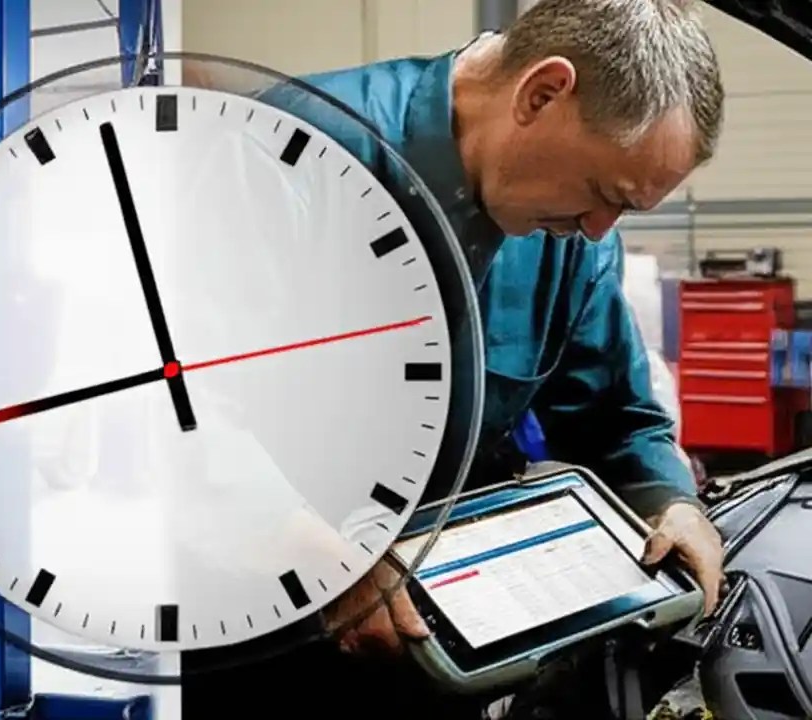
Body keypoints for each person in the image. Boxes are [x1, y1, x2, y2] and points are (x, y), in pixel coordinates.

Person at [182, 0, 726, 717]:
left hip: (446, 648)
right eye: (603, 194)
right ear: (541, 94)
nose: (600, 233)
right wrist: (312, 551)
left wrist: (672, 502)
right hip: (258, 646)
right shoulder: (283, 158)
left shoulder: (571, 235)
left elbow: (617, 420)